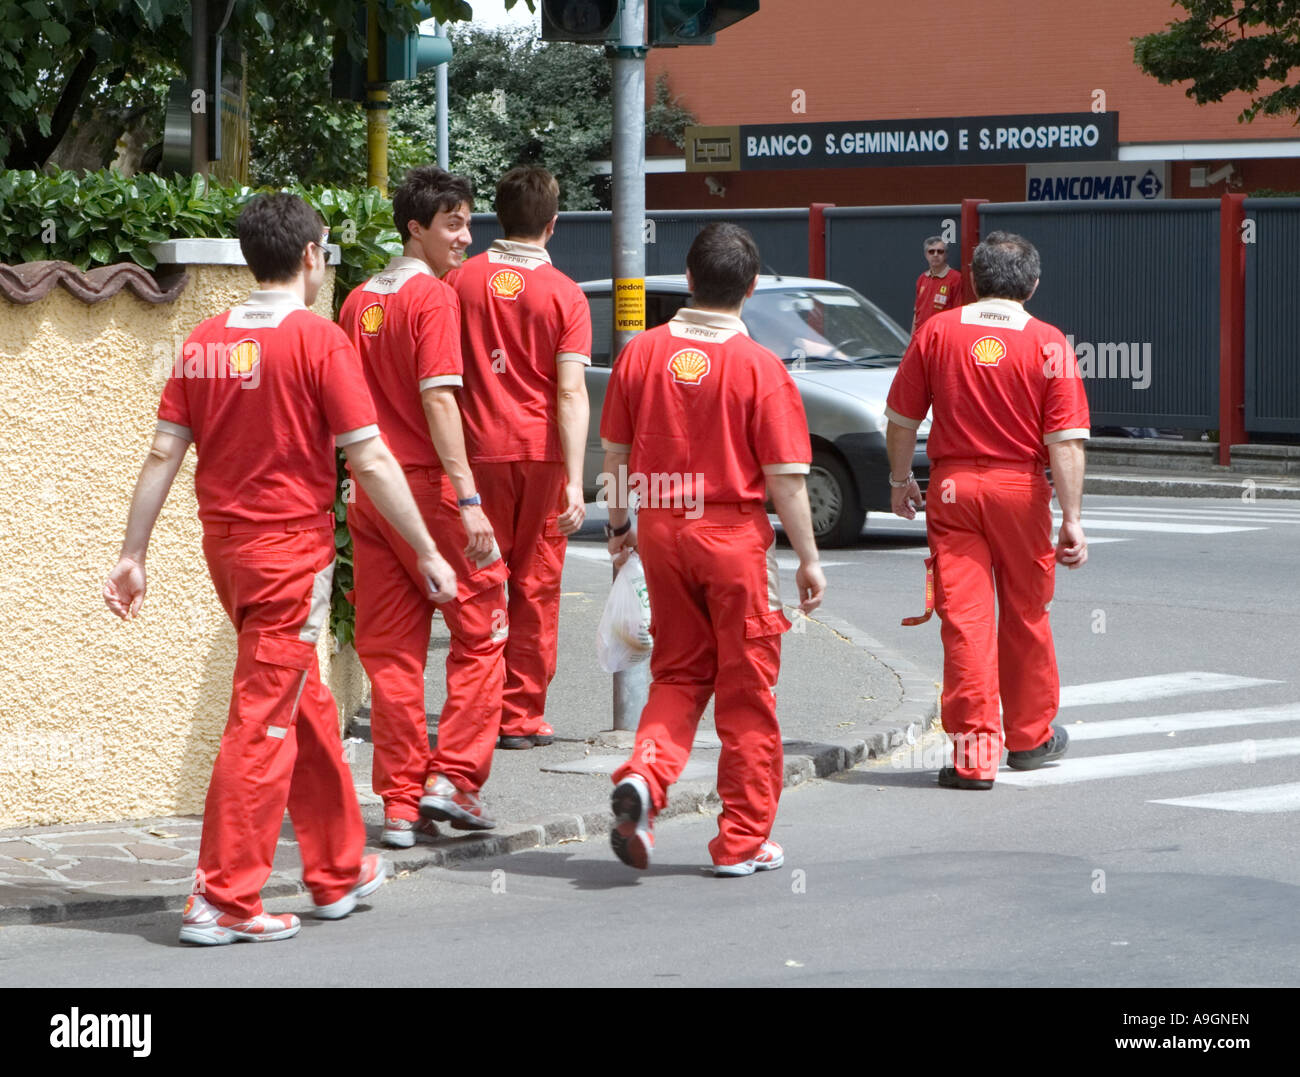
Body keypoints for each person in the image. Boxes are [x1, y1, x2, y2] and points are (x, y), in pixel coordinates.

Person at [104, 193, 457, 945]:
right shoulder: (319, 340)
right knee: (263, 719)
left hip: (227, 552)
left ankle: (338, 869)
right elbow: (369, 455)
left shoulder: (201, 341)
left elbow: (164, 451)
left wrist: (134, 553)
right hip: (290, 554)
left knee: (300, 698)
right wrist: (427, 548)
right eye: (326, 253)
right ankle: (224, 899)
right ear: (309, 257)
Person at [601, 223, 826, 875]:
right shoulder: (760, 366)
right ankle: (742, 840)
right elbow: (785, 477)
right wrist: (809, 557)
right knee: (747, 688)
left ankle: (644, 776)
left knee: (677, 673)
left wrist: (621, 532)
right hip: (733, 539)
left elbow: (615, 455)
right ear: (750, 290)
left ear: (689, 278)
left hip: (663, 531)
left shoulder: (639, 353)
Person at [338, 166, 510, 840]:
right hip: (430, 492)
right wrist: (468, 499)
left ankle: (401, 805)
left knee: (391, 653)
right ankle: (454, 780)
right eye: (454, 224)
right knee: (485, 627)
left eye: (468, 221)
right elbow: (440, 398)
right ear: (417, 227)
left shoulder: (356, 300)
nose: (466, 236)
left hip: (372, 494)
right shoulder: (434, 300)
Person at [884, 230, 1090, 790]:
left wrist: (901, 482)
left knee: (965, 620)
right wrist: (1071, 519)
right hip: (1019, 493)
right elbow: (1065, 441)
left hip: (953, 491)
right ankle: (1029, 739)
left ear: (971, 280)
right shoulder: (1049, 343)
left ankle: (974, 757)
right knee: (1026, 613)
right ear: (1034, 284)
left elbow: (902, 420)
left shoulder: (936, 333)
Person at [447, 166, 591, 750]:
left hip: (475, 451)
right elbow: (571, 391)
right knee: (537, 582)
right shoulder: (565, 294)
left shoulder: (458, 282)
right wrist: (578, 482)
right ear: (552, 225)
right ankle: (522, 715)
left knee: (479, 579)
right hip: (542, 455)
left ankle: (475, 707)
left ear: (496, 218)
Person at [911, 236, 966, 334]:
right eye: (931, 252)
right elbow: (916, 313)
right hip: (921, 336)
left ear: (945, 255)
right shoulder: (922, 279)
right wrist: (912, 340)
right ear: (926, 255)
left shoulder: (956, 278)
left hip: (942, 337)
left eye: (940, 251)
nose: (935, 255)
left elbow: (957, 313)